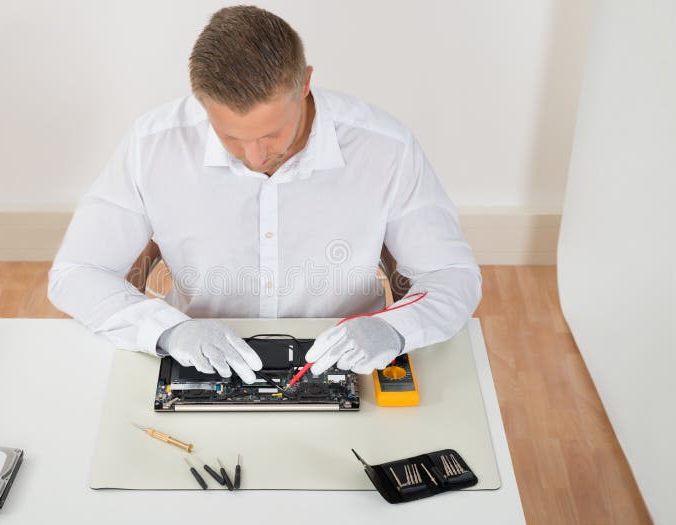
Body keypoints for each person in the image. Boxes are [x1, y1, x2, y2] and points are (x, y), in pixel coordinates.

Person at [48, 5, 482, 385]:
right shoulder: (153, 144)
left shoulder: (385, 147)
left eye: (272, 132)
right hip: (198, 365)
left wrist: (394, 328)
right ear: (202, 103)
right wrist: (167, 330)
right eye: (231, 137)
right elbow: (78, 272)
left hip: (346, 365)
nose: (255, 157)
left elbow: (451, 275)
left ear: (306, 84)